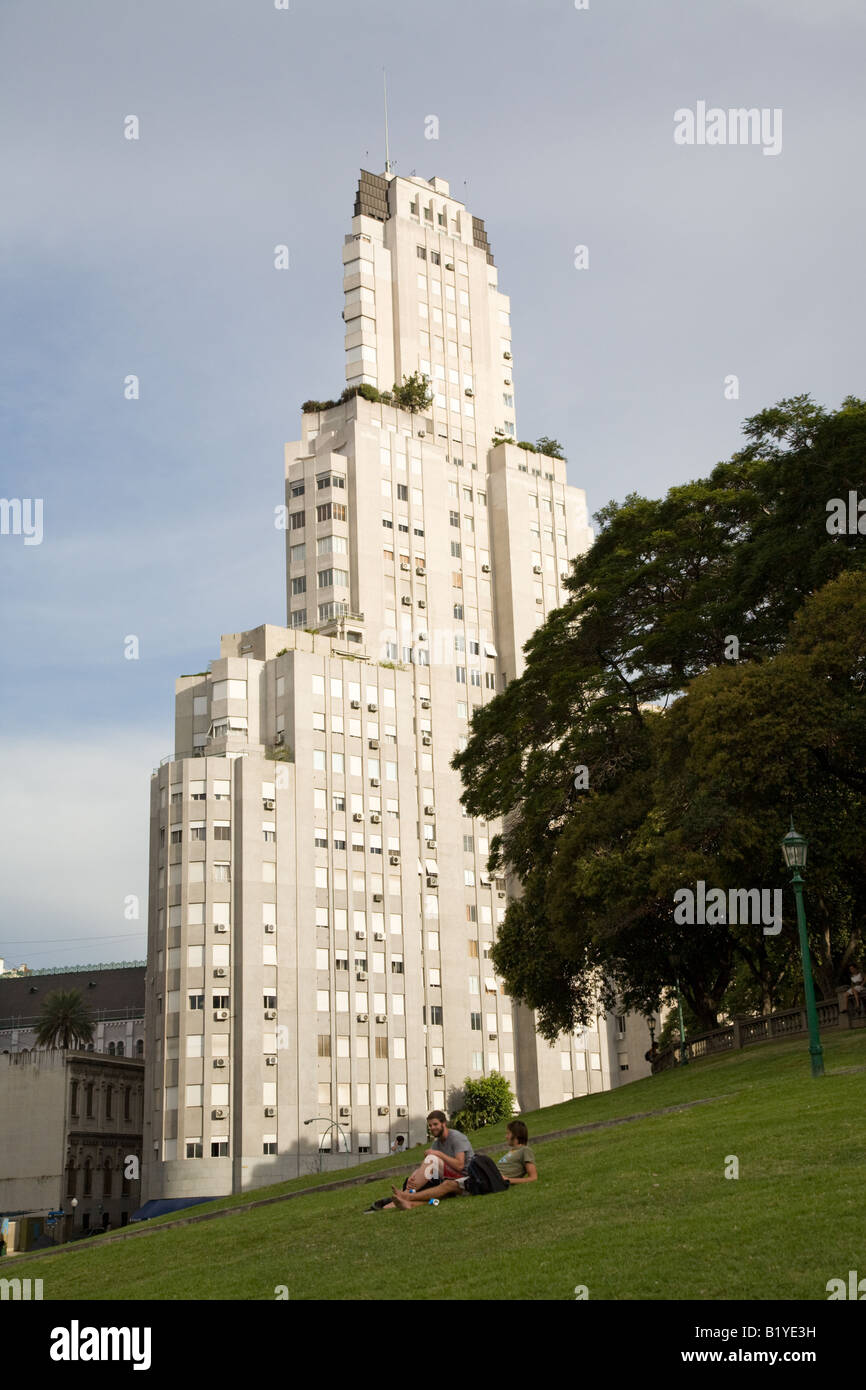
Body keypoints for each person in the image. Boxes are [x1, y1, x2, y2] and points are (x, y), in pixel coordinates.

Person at [389, 1120, 538, 1210]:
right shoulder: (512, 1152)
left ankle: (408, 1197)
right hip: (484, 1177)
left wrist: (508, 1180)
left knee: (447, 1185)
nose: (506, 1136)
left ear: (516, 1135)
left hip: (489, 1181)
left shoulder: (525, 1150)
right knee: (446, 1192)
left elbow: (533, 1177)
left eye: (508, 1133)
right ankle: (411, 1205)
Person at [365, 1111, 473, 1211]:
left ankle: (404, 1196)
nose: (432, 1128)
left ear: (444, 1123)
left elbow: (460, 1165)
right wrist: (415, 1175)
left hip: (464, 1177)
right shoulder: (437, 1143)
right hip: (447, 1177)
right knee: (422, 1171)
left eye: (435, 1124)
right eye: (430, 1125)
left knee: (432, 1158)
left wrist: (438, 1154)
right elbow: (427, 1167)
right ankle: (398, 1203)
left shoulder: (456, 1137)